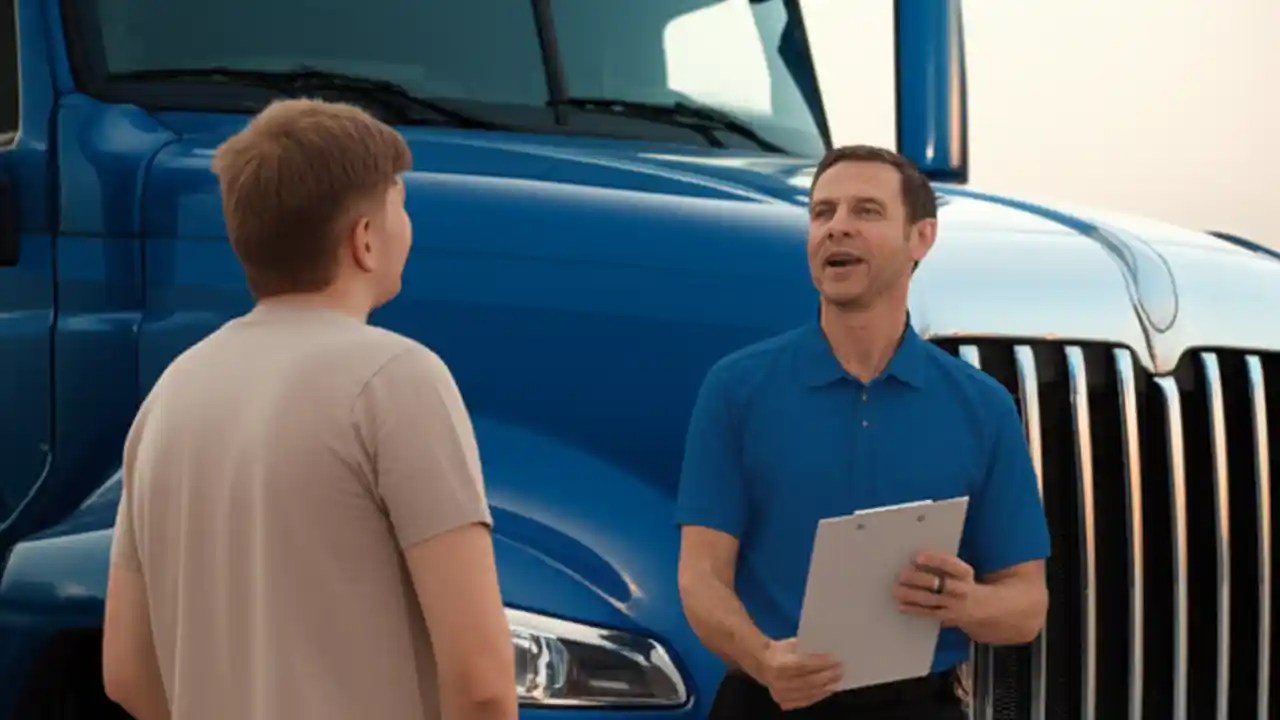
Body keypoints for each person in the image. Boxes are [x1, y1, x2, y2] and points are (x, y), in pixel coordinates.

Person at [101, 98, 518, 720]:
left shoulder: (172, 392)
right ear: (365, 240)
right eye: (401, 205)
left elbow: (127, 672)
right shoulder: (396, 379)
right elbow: (482, 683)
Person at [674, 145, 1051, 719]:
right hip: (769, 699)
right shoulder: (736, 388)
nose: (837, 227)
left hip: (918, 706)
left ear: (921, 238)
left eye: (866, 211)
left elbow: (1026, 609)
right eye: (822, 212)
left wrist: (964, 602)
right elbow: (700, 578)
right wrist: (765, 659)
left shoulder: (983, 407)